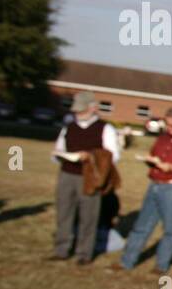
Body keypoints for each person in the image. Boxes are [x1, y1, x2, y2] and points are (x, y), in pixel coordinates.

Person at [114, 106, 172, 273]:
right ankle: (127, 261)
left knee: (169, 228)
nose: (169, 129)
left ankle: (162, 265)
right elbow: (154, 153)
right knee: (141, 225)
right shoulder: (163, 138)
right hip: (154, 184)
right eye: (167, 125)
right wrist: (151, 161)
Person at [51, 90, 120, 265]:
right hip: (67, 174)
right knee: (64, 213)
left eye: (81, 110)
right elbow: (58, 149)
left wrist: (90, 156)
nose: (78, 114)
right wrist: (58, 154)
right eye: (76, 110)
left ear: (93, 108)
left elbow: (113, 156)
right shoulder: (69, 127)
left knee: (88, 216)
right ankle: (62, 249)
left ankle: (84, 253)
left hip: (90, 178)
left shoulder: (105, 128)